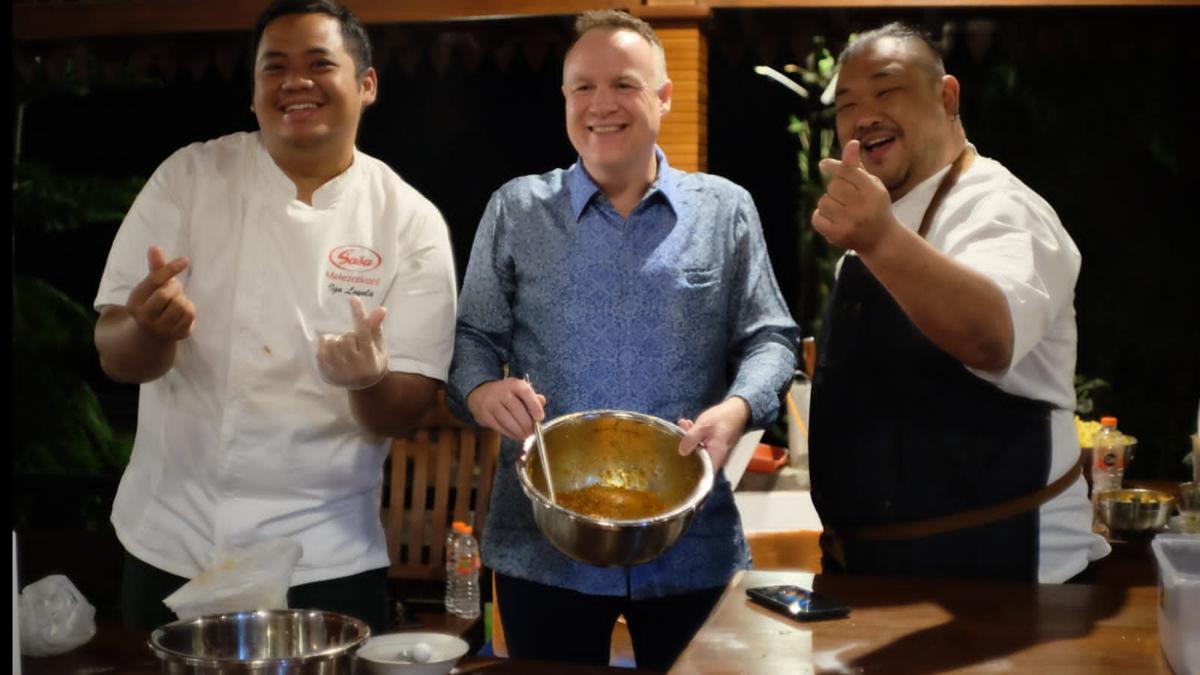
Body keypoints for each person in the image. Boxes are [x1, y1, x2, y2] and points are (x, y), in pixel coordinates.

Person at [446, 10, 799, 671]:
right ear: (564, 99)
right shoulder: (518, 208)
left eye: (624, 85)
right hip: (542, 544)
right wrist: (481, 386)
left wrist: (740, 406)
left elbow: (773, 337)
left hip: (691, 543)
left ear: (663, 96)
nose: (600, 105)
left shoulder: (724, 210)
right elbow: (472, 336)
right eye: (582, 87)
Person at [92, 0, 456, 632]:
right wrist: (150, 328)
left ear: (366, 85)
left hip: (326, 552)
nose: (295, 81)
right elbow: (117, 357)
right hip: (175, 536)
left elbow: (406, 409)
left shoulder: (409, 220)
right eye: (274, 67)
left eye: (320, 63)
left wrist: (368, 380)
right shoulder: (190, 177)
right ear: (254, 92)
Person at [807, 22, 1109, 583]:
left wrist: (878, 238)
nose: (863, 114)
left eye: (886, 90)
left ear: (947, 97)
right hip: (879, 574)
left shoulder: (998, 207)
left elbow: (989, 337)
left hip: (1002, 573)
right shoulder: (880, 225)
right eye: (847, 104)